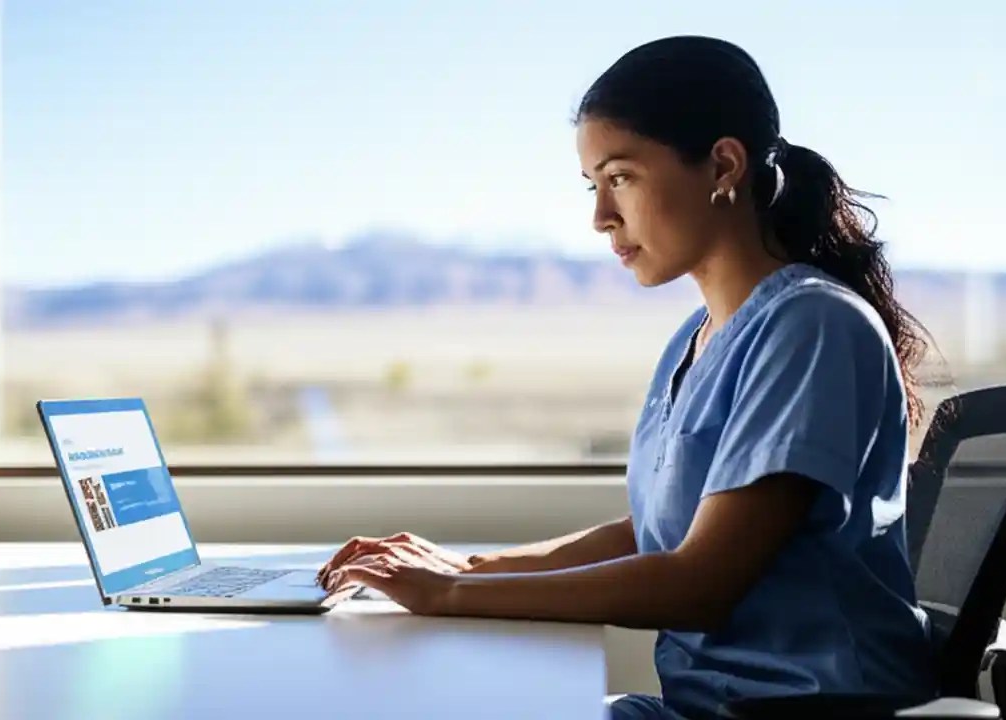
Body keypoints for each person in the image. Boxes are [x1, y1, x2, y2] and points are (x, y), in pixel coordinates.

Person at [315, 36, 939, 719]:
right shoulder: (696, 339)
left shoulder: (811, 326)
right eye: (594, 186)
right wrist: (469, 568)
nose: (600, 217)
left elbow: (698, 581)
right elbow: (656, 531)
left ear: (722, 166)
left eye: (621, 178)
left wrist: (454, 597)